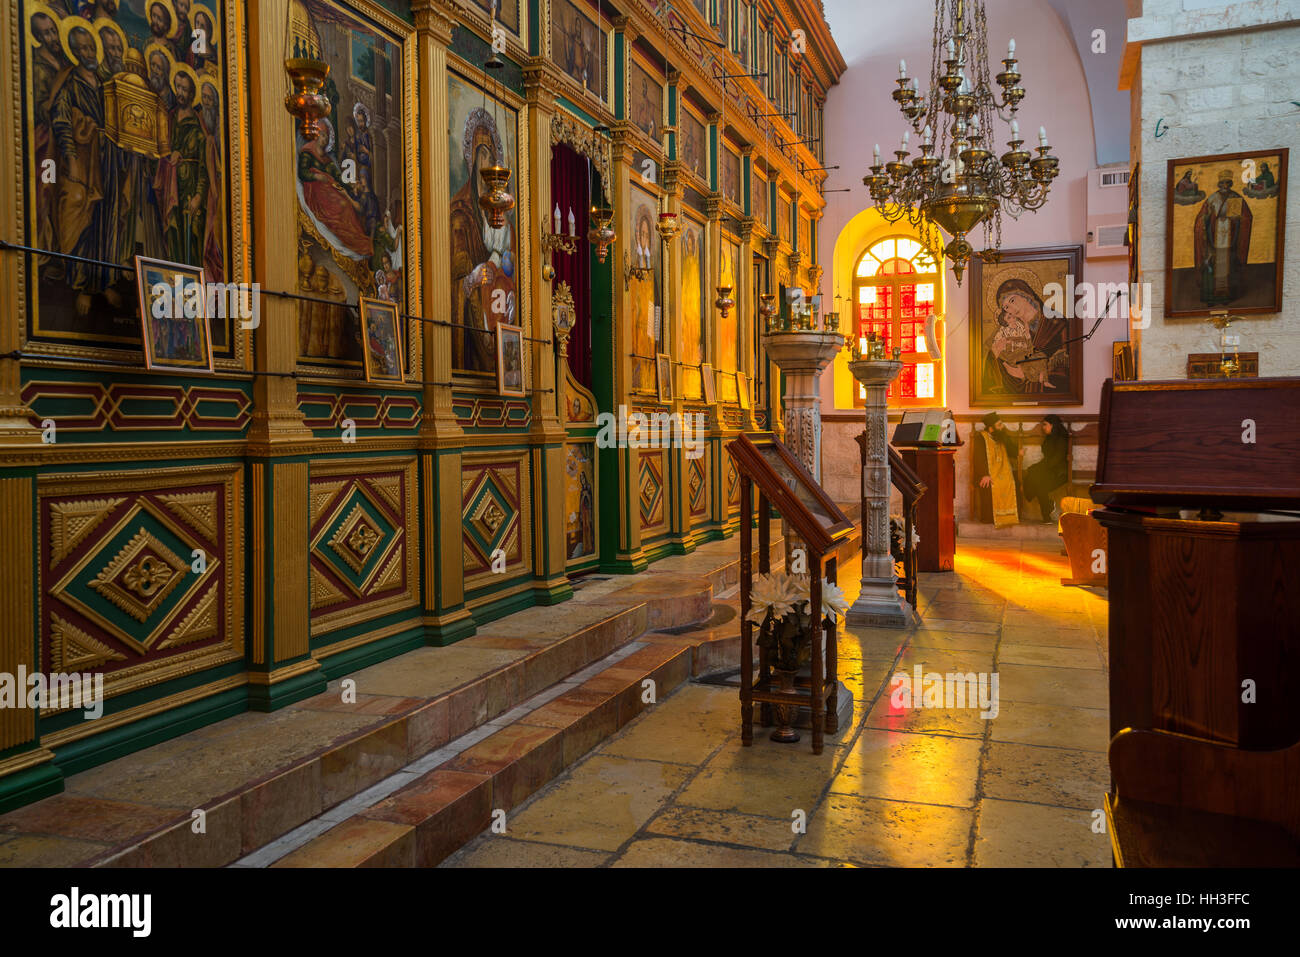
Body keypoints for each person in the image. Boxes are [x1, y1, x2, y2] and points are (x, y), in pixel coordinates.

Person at [1193, 169, 1252, 307]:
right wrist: (1206, 218)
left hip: (1230, 237)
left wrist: (1237, 221)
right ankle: (1211, 298)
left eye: (1227, 183)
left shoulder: (1235, 198)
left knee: (1228, 265)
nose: (1225, 185)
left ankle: (1226, 297)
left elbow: (1243, 218)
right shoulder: (1213, 198)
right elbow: (1202, 217)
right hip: (1212, 235)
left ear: (1230, 183)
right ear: (1219, 184)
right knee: (1211, 264)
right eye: (1222, 183)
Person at [976, 411, 1020, 528]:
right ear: (991, 429)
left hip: (1003, 472)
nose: (1002, 427)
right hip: (986, 473)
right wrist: (984, 474)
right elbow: (978, 458)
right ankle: (990, 518)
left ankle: (1010, 517)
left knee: (1012, 482)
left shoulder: (1001, 436)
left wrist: (1018, 452)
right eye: (999, 425)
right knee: (989, 484)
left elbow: (1012, 451)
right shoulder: (981, 438)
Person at [1023, 414, 1069, 523]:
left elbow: (1057, 459)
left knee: (1037, 481)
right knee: (1036, 478)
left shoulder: (1061, 439)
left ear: (1053, 425)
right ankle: (1047, 515)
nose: (1043, 427)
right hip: (1050, 471)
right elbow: (1047, 460)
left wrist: (1038, 468)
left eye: (1045, 425)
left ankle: (1048, 509)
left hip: (1060, 474)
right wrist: (1036, 468)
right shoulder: (1049, 438)